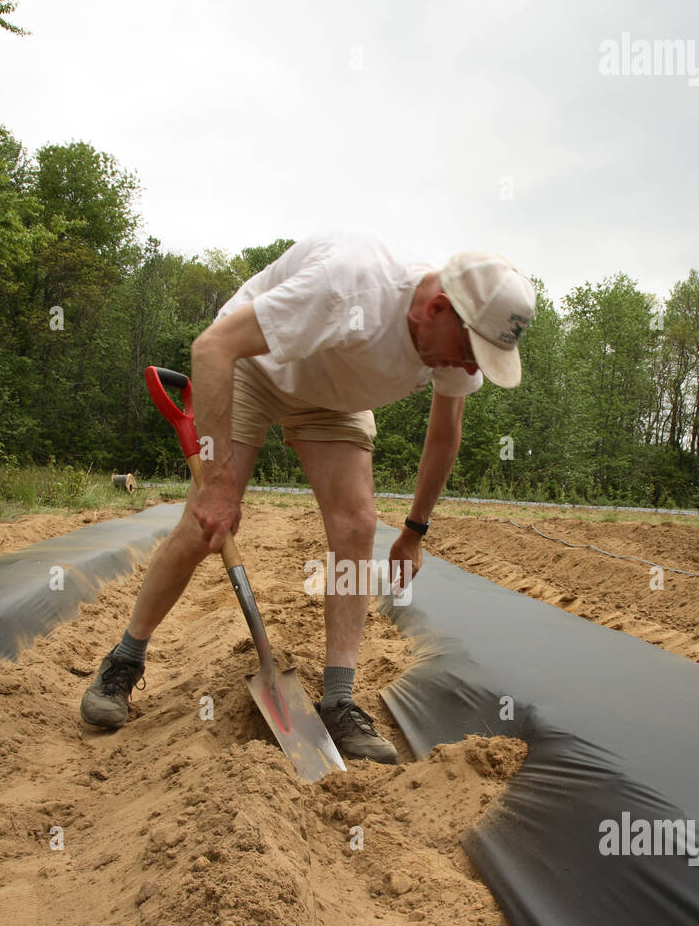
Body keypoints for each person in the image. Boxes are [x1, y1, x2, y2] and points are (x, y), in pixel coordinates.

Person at [80, 231, 535, 762]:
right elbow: (213, 347)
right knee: (203, 526)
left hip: (333, 398)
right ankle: (124, 660)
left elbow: (444, 434)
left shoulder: (453, 345)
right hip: (253, 365)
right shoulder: (350, 286)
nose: (472, 369)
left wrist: (414, 531)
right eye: (471, 352)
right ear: (436, 308)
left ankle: (338, 702)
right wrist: (221, 485)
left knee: (356, 527)